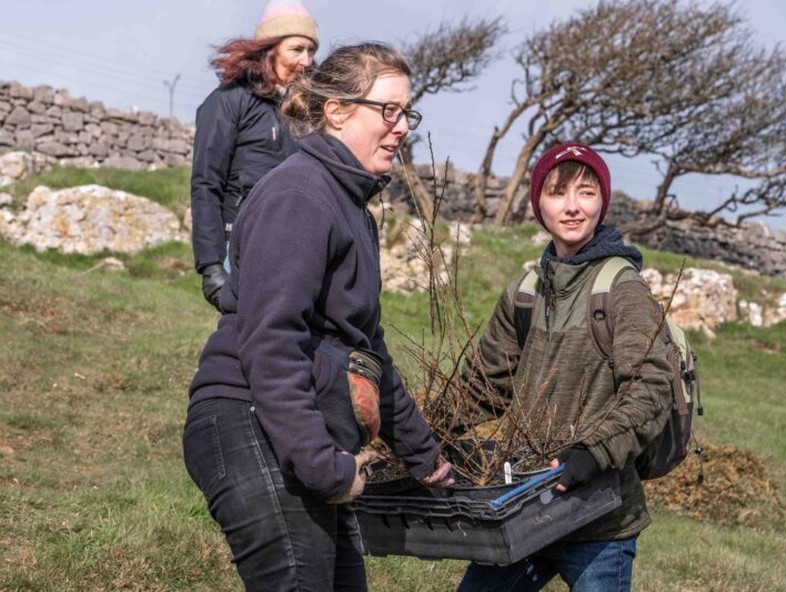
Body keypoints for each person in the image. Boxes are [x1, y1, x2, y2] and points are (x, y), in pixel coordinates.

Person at [182, 42, 454, 592]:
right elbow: (271, 342)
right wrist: (323, 468)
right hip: (249, 418)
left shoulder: (350, 206)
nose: (402, 127)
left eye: (408, 113)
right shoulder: (300, 194)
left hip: (296, 430)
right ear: (336, 111)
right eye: (389, 110)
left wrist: (426, 457)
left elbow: (367, 351)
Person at [447, 142, 674, 592]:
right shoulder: (526, 292)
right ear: (539, 205)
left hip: (600, 517)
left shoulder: (621, 289)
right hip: (525, 507)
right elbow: (482, 386)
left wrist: (592, 452)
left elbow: (651, 386)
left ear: (602, 202)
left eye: (586, 193)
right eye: (557, 193)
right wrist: (419, 435)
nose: (572, 207)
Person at [190, 0, 320, 312]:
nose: (306, 61)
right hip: (241, 249)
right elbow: (206, 184)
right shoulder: (230, 100)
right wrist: (211, 265)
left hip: (295, 253)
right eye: (297, 49)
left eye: (311, 51)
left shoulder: (306, 114)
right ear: (269, 49)